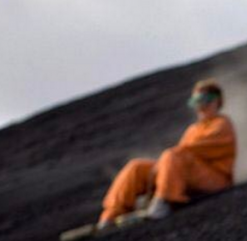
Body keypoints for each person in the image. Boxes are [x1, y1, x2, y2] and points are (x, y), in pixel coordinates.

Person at [97, 79, 237, 228]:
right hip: (186, 177)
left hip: (215, 180)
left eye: (206, 100)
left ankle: (162, 203)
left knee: (172, 155)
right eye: (196, 101)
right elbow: (182, 155)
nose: (201, 106)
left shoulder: (222, 125)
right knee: (136, 167)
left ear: (218, 101)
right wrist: (165, 165)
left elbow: (191, 151)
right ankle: (111, 215)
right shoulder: (193, 129)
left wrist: (168, 162)